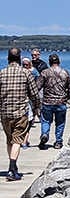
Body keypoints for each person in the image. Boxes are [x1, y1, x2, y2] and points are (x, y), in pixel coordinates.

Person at [0, 47, 41, 180]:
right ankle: (12, 168)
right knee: (18, 140)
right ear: (19, 58)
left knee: (9, 140)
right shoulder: (26, 73)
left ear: (8, 59)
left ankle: (13, 165)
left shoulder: (2, 73)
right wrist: (37, 108)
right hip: (20, 111)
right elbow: (34, 93)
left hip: (5, 112)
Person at [38, 53, 70, 150]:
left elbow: (38, 86)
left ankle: (45, 134)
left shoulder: (45, 73)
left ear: (49, 62)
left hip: (47, 102)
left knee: (45, 121)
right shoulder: (65, 73)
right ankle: (58, 142)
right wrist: (67, 97)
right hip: (61, 102)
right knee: (60, 123)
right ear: (59, 61)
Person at [20, 57, 38, 148]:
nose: (25, 66)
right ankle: (24, 141)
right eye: (24, 65)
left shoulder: (33, 72)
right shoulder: (21, 72)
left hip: (29, 99)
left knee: (29, 121)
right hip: (23, 99)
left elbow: (36, 85)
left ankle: (24, 141)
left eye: (26, 65)